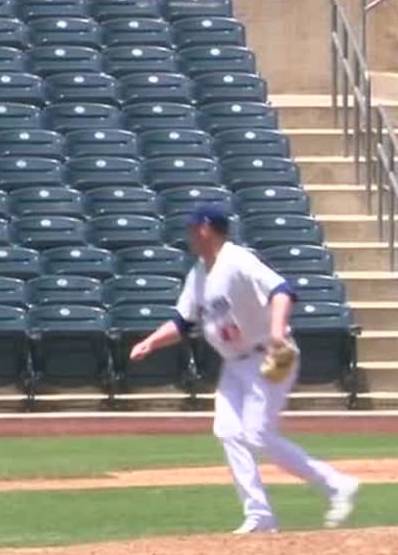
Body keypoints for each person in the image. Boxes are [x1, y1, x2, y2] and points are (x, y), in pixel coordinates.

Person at [128, 205, 359, 534]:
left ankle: (336, 485)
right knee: (227, 432)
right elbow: (182, 321)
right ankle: (259, 515)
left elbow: (282, 290)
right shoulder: (199, 272)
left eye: (194, 228)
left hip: (272, 355)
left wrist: (278, 331)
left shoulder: (236, 259)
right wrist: (150, 342)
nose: (190, 235)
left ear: (207, 228)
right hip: (235, 364)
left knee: (257, 435)